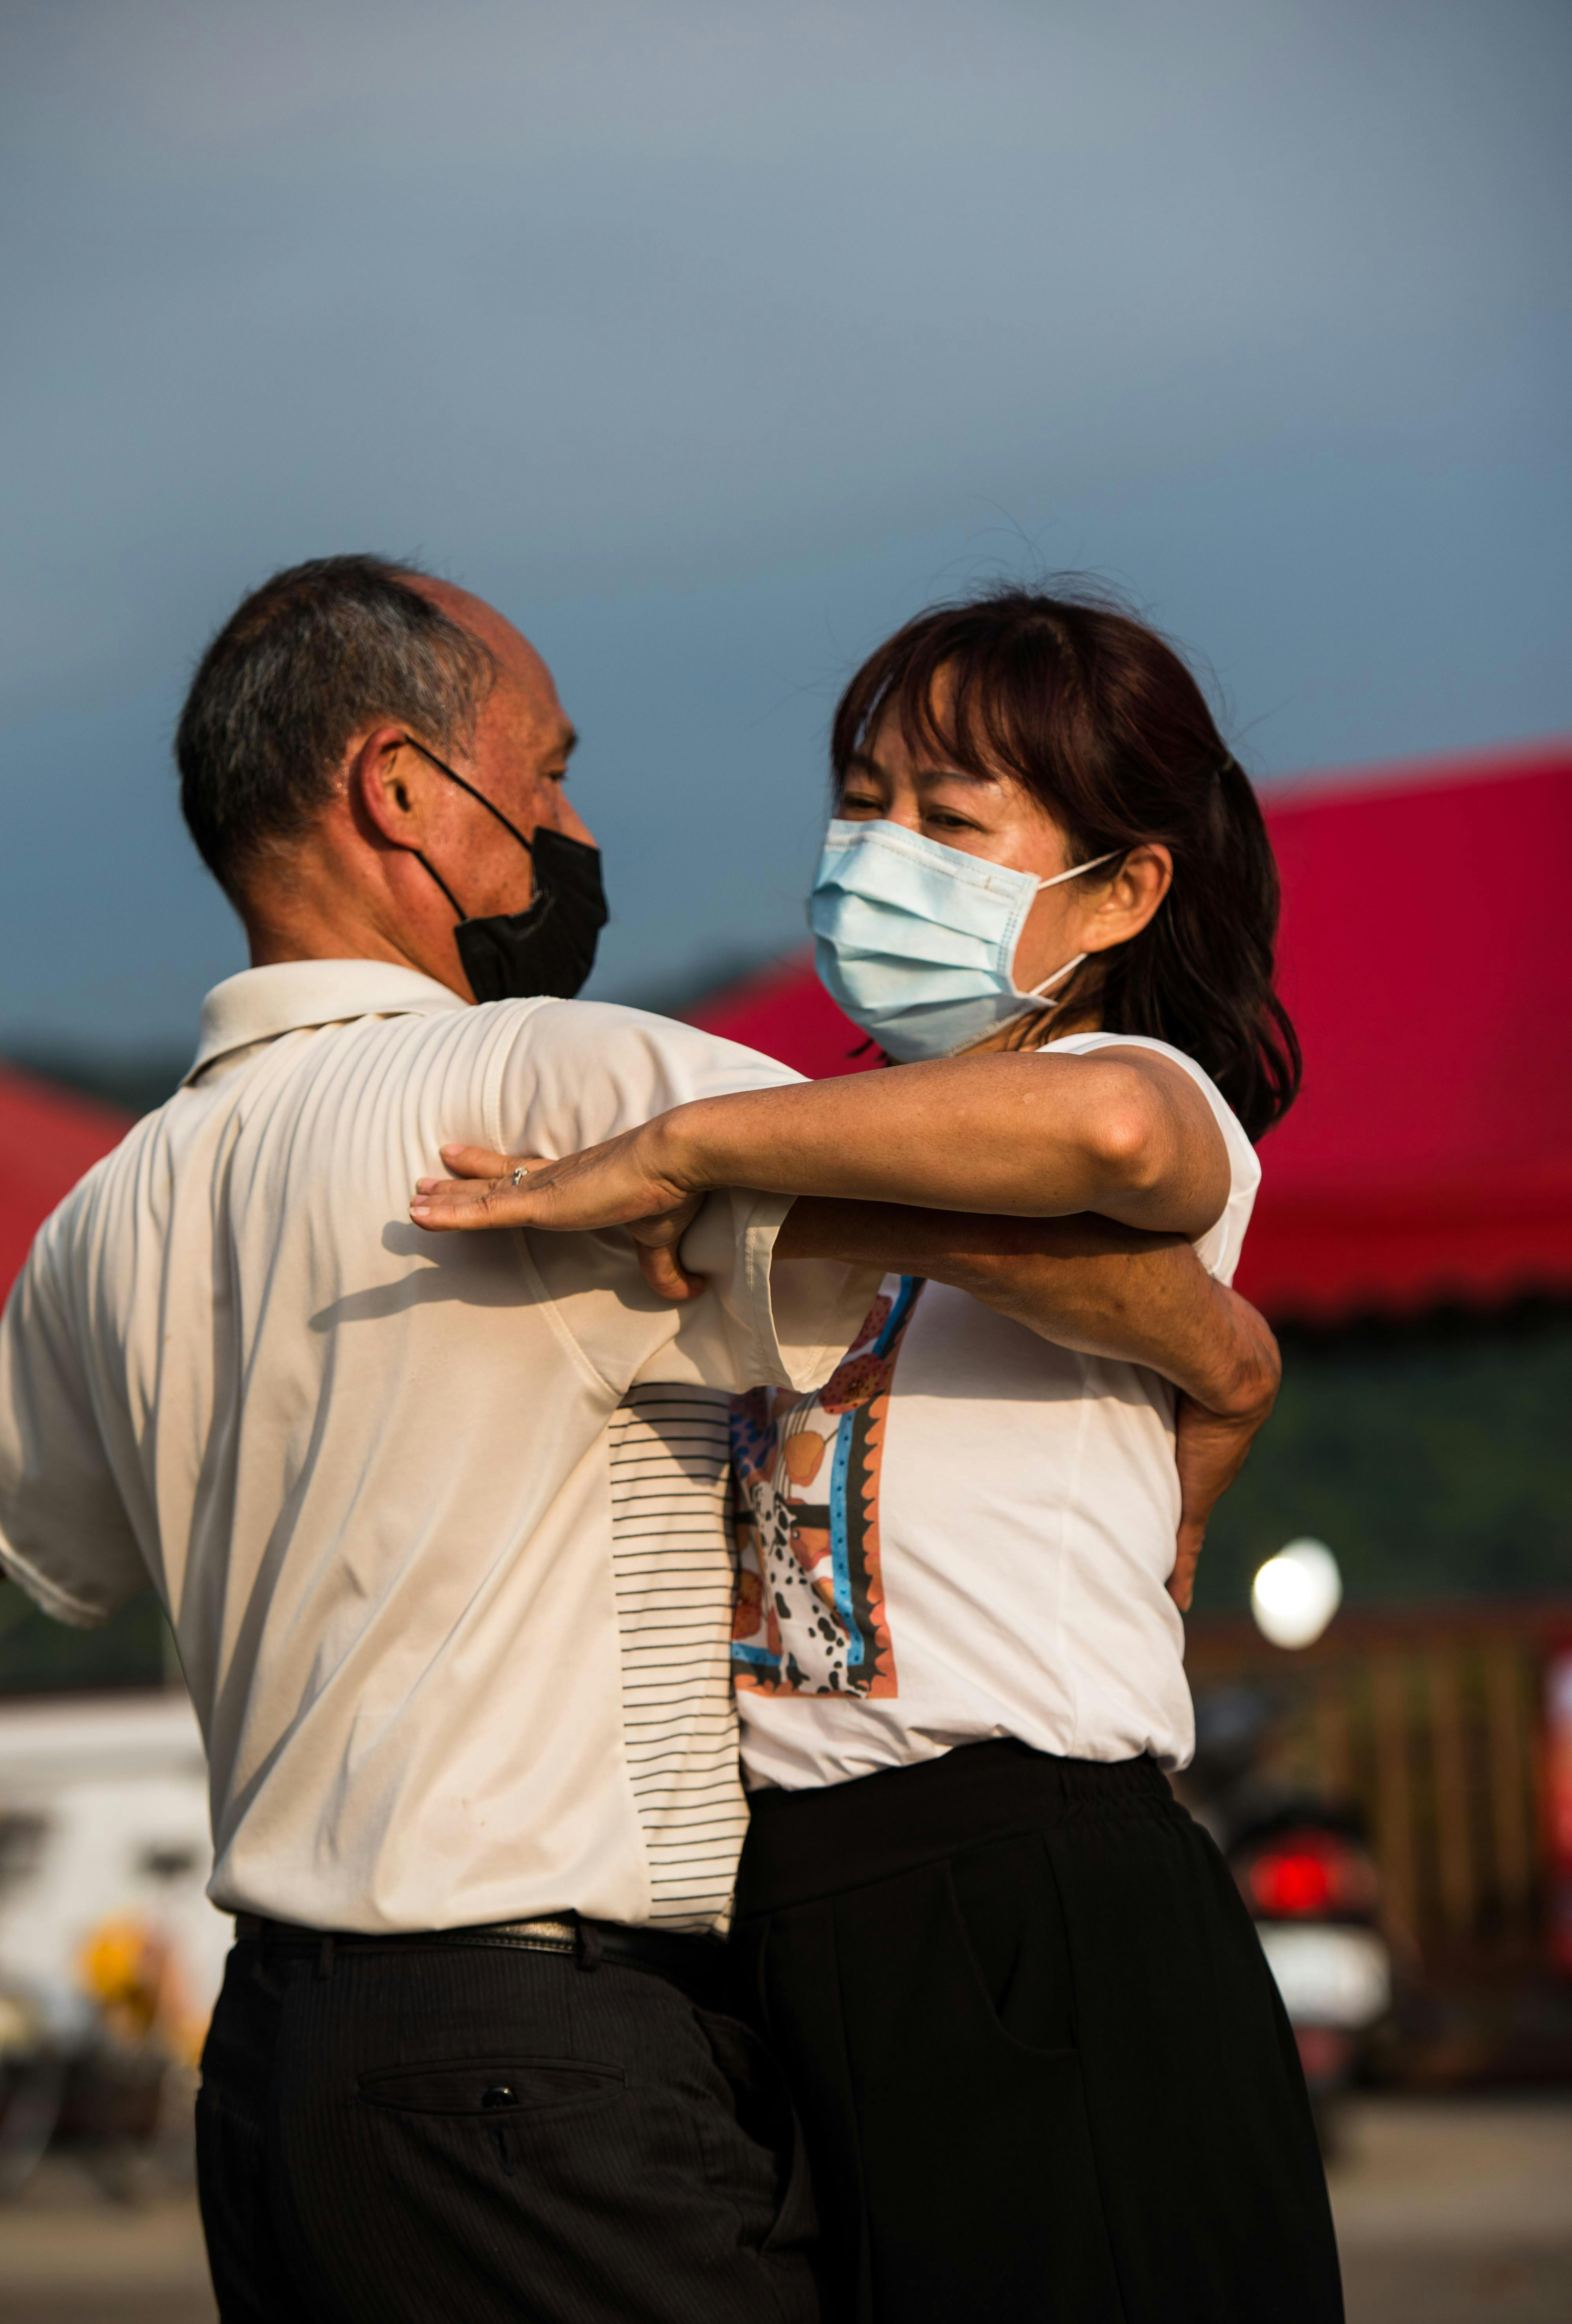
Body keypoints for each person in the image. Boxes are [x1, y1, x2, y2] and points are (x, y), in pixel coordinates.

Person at [0, 559, 1276, 2324]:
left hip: (288, 2062)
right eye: (544, 781)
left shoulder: (98, 1213)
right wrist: (1229, 1362)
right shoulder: (554, 1083)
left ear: (1124, 885)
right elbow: (1027, 1206)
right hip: (562, 2040)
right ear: (398, 791)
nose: (571, 827)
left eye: (943, 815)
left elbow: (69, 1552)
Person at [411, 585, 1344, 2323]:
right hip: (805, 1902)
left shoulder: (1135, 1084)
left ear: (1120, 889)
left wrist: (687, 1145)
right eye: (860, 799)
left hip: (1026, 1886)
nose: (878, 848)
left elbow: (1116, 1130)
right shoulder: (825, 1143)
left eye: (950, 814)